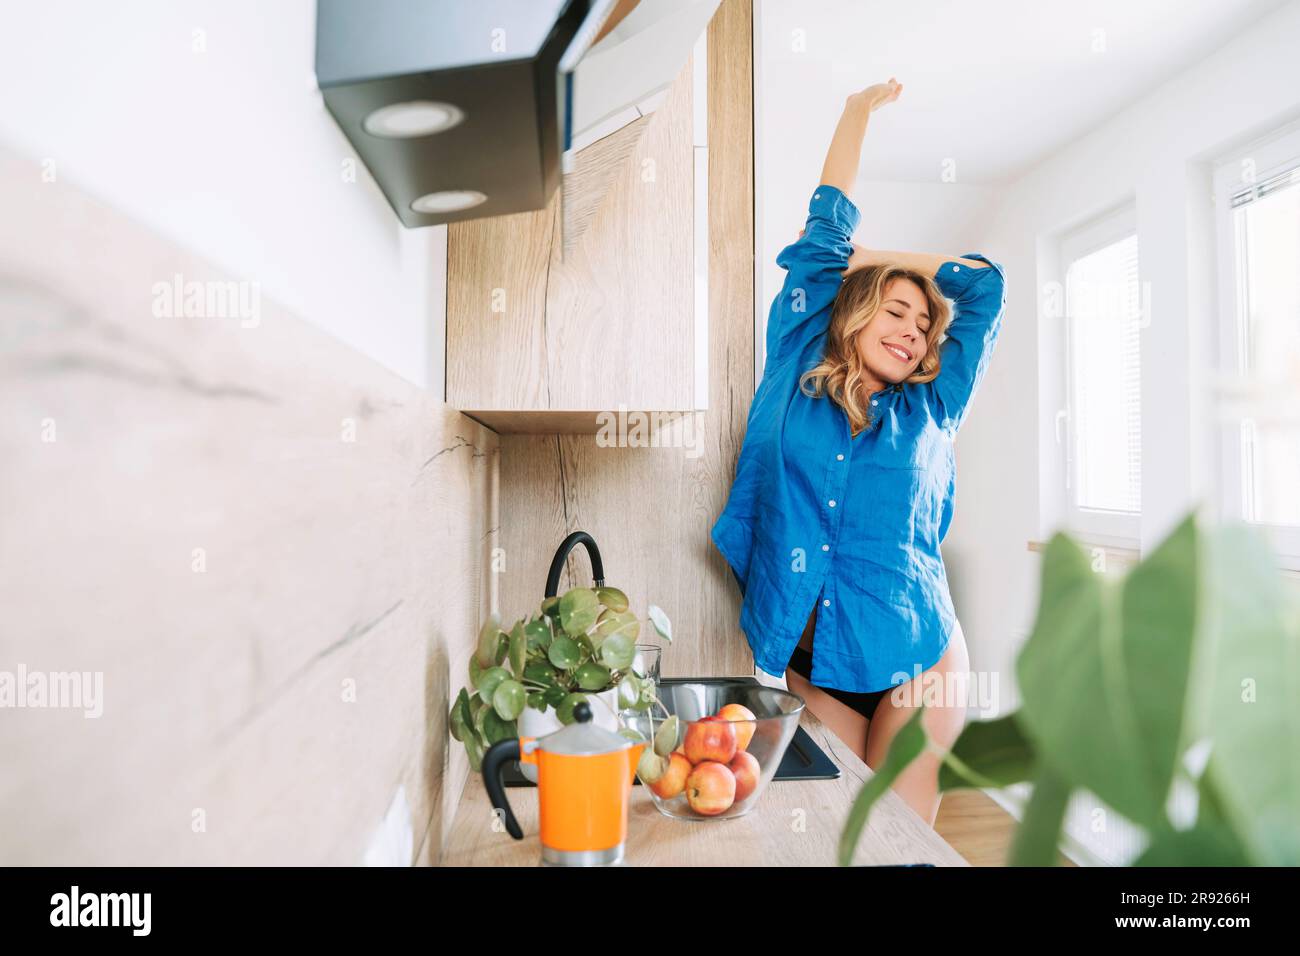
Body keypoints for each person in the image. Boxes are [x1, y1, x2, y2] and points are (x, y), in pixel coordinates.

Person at [710, 78, 1007, 826]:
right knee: (838, 831)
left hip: (919, 659)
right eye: (894, 309)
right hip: (817, 662)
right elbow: (823, 234)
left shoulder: (933, 406)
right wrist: (854, 112)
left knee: (897, 841)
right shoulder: (797, 355)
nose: (911, 328)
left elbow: (986, 285)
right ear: (853, 313)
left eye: (922, 325)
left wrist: (878, 258)